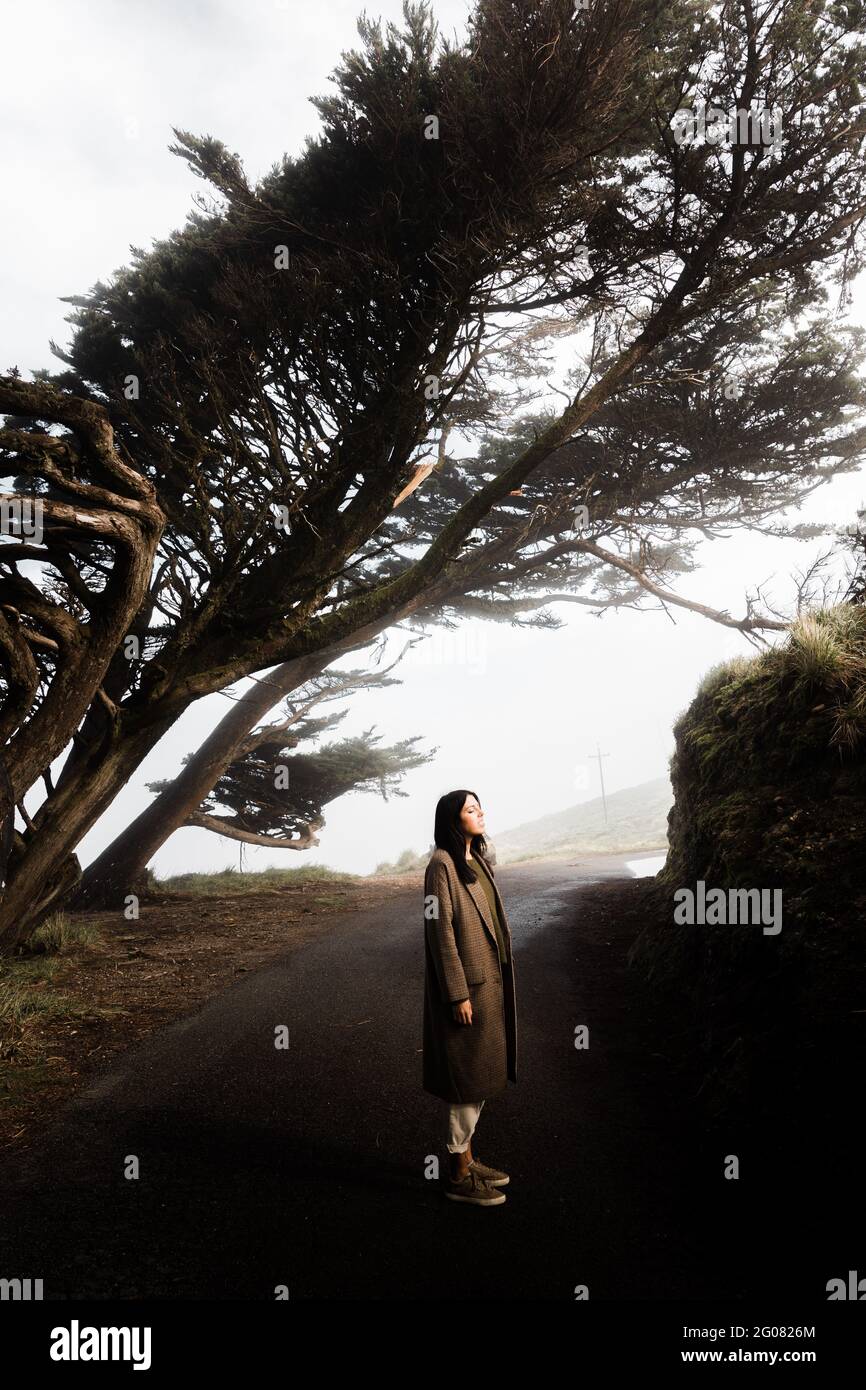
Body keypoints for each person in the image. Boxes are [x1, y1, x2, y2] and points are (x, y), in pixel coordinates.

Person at [422, 789, 518, 1205]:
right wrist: (457, 993)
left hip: (488, 984)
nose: (480, 814)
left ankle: (469, 1159)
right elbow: (439, 932)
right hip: (467, 991)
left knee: (478, 1077)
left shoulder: (472, 857)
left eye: (481, 807)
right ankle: (458, 1176)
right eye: (471, 809)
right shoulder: (440, 864)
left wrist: (479, 840)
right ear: (452, 818)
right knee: (465, 1081)